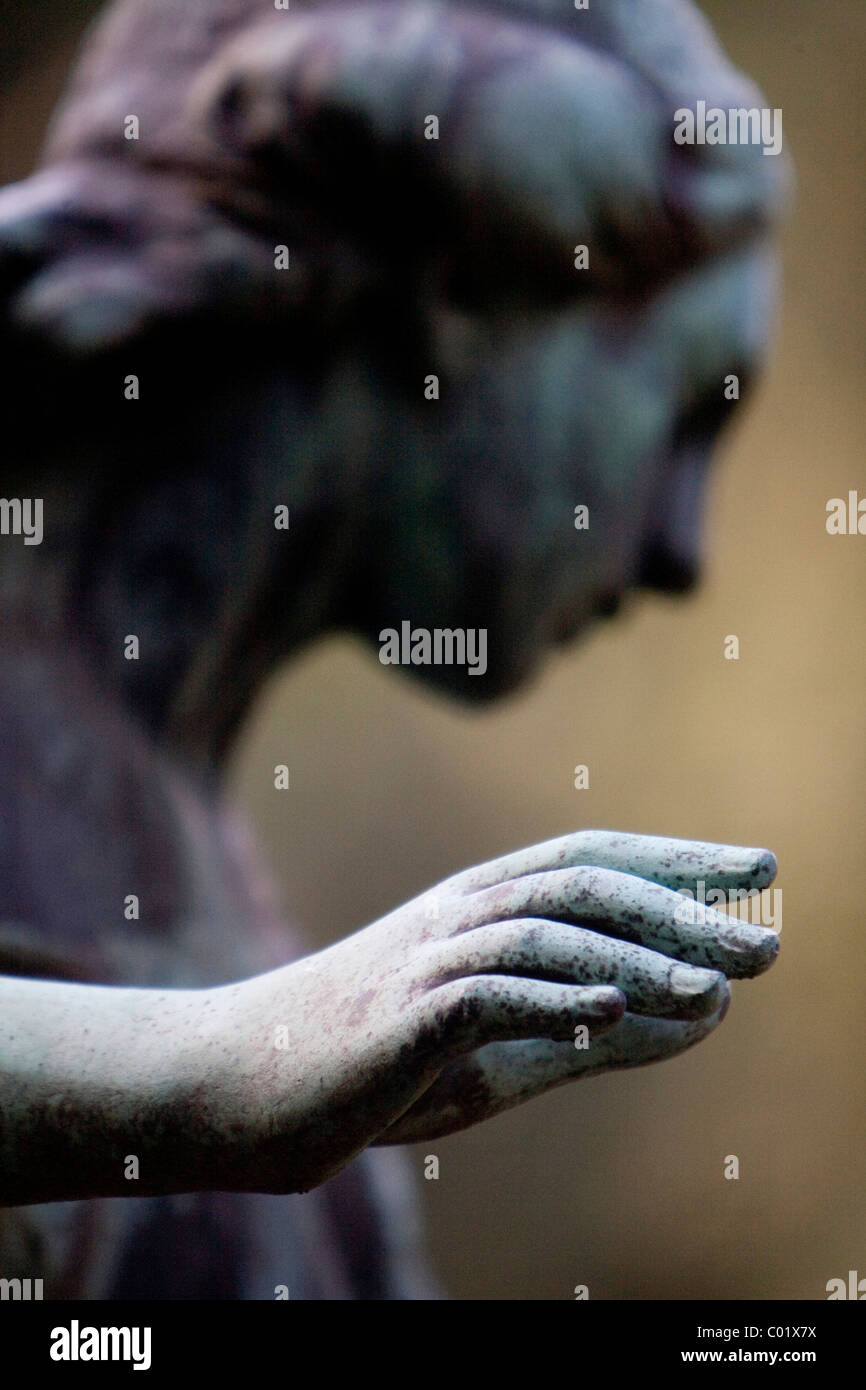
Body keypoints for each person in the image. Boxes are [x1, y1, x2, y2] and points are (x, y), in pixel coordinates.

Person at [0, 0, 787, 1297]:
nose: (677, 550)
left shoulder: (182, 827)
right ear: (465, 288)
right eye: (685, 411)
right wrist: (212, 1071)